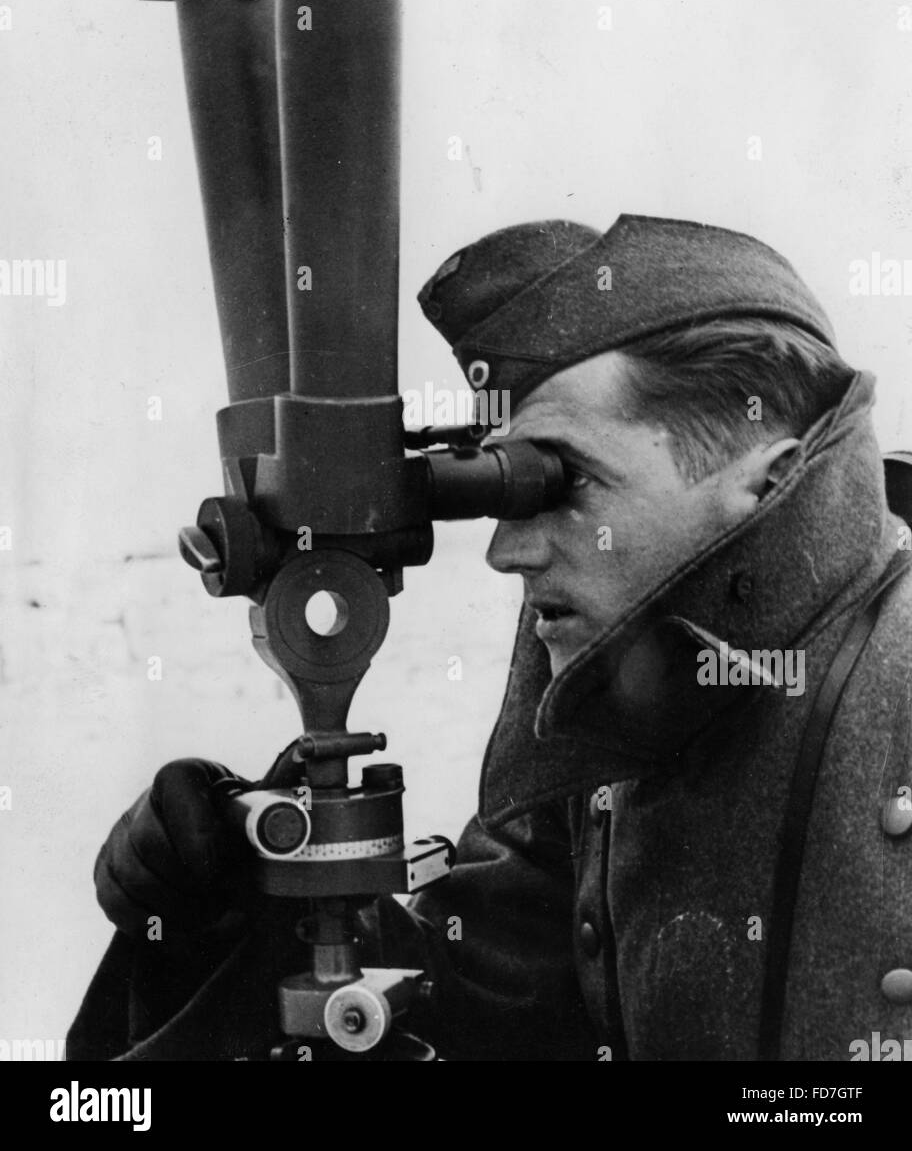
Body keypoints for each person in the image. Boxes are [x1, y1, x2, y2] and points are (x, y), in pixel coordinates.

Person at [67, 214, 912, 1061]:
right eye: (513, 490)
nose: (505, 551)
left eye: (565, 482)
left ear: (770, 483)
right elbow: (496, 1010)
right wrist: (245, 906)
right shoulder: (608, 719)